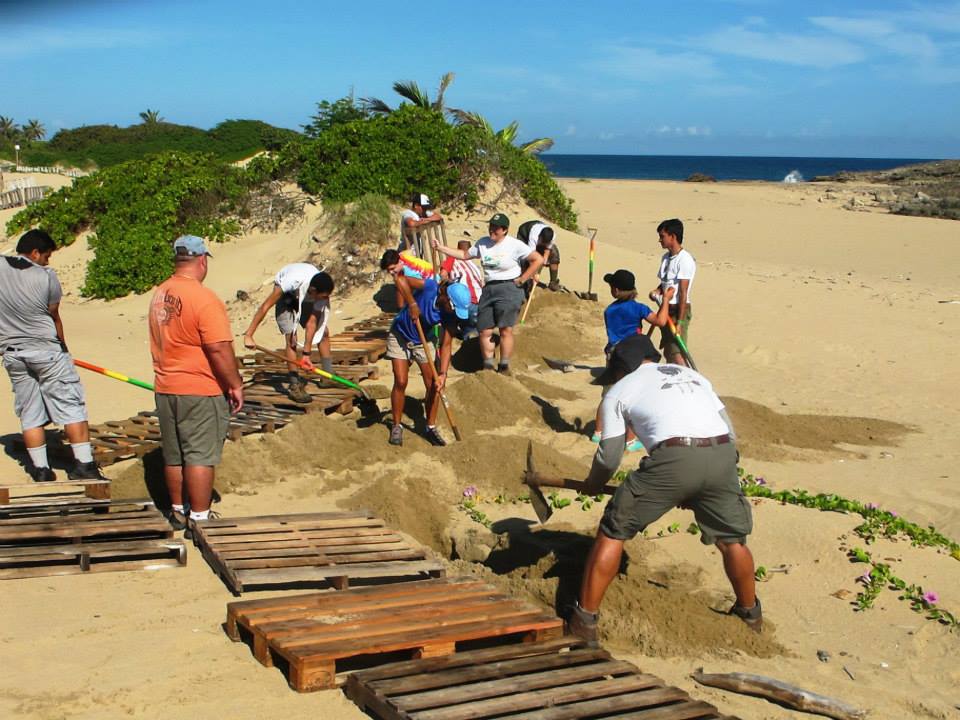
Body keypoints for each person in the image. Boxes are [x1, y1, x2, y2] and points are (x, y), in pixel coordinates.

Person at [567, 334, 760, 645]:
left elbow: (610, 455)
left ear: (621, 368)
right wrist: (699, 485)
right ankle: (750, 614)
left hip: (674, 458)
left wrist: (594, 484)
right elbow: (729, 431)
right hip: (723, 455)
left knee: (614, 529)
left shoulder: (620, 390)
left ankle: (584, 621)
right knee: (731, 540)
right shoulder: (693, 376)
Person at [149, 235, 244, 531]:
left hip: (166, 386)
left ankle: (178, 509)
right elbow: (218, 348)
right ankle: (200, 518)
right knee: (200, 455)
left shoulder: (160, 293)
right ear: (202, 260)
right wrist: (234, 384)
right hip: (199, 388)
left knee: (174, 454)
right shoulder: (203, 298)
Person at [0, 229, 104, 482]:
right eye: (46, 256)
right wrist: (64, 349)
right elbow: (53, 315)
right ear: (35, 253)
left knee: (29, 412)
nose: (48, 261)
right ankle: (85, 466)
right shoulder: (46, 276)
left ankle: (41, 469)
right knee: (71, 407)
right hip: (46, 351)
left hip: (13, 354)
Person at [433, 213, 543, 375]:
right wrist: (442, 248)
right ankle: (488, 366)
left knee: (505, 329)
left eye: (496, 228)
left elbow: (538, 259)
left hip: (509, 287)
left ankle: (504, 366)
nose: (492, 230)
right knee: (484, 329)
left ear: (505, 230)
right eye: (491, 226)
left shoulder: (514, 244)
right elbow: (464, 255)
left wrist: (523, 279)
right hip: (489, 288)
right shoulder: (483, 243)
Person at [379, 250, 460, 447]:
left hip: (424, 340)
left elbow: (447, 345)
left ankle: (430, 427)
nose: (451, 310)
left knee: (433, 384)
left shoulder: (451, 315)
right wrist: (413, 304)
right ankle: (397, 425)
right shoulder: (430, 286)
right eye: (451, 306)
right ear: (446, 298)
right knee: (401, 380)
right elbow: (400, 280)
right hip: (400, 334)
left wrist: (443, 373)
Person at [592, 270, 673, 450]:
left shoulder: (609, 310)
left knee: (609, 394)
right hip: (633, 354)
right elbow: (660, 321)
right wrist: (665, 300)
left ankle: (598, 432)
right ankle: (630, 439)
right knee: (632, 396)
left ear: (616, 290)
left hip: (613, 353)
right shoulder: (639, 308)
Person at [242, 264, 334, 404]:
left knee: (324, 333)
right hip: (286, 297)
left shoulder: (321, 292)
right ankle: (294, 385)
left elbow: (312, 323)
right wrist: (249, 335)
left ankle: (328, 376)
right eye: (322, 297)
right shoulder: (291, 281)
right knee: (292, 338)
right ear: (314, 291)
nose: (324, 299)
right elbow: (265, 306)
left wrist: (306, 355)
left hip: (304, 296)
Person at [649, 218, 696, 366]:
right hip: (666, 309)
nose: (660, 240)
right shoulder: (666, 258)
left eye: (662, 236)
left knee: (677, 352)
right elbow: (665, 282)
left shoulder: (685, 260)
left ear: (673, 237)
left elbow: (683, 291)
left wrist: (680, 322)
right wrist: (657, 291)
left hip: (678, 310)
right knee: (669, 351)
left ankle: (687, 379)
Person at [439, 240, 482, 339]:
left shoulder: (455, 259)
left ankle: (467, 335)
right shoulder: (472, 264)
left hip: (468, 301)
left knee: (470, 325)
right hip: (477, 299)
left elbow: (442, 275)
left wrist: (450, 283)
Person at [517, 219, 561, 291]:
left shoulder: (552, 236)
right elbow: (532, 258)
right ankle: (524, 281)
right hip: (524, 234)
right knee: (524, 259)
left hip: (541, 237)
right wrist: (536, 274)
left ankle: (553, 283)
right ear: (539, 237)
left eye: (545, 243)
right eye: (542, 242)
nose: (544, 244)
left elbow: (547, 251)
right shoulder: (533, 236)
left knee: (554, 255)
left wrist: (544, 260)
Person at [400, 192, 442, 257]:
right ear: (416, 205)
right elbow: (411, 223)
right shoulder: (408, 213)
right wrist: (425, 221)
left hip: (418, 251)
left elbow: (438, 217)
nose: (425, 209)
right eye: (424, 207)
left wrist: (427, 219)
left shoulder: (423, 213)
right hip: (407, 252)